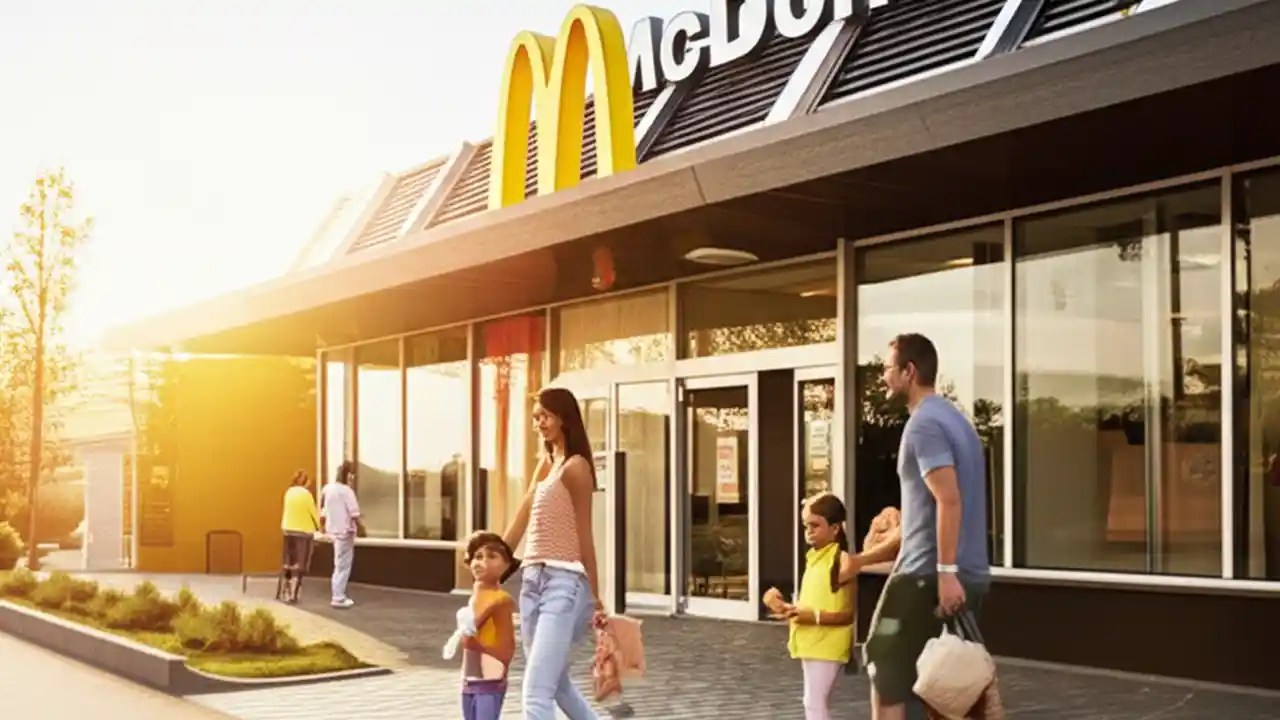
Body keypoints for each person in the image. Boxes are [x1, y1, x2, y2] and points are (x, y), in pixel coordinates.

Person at [859, 333, 992, 720]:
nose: (883, 376)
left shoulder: (924, 425)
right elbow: (932, 509)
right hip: (964, 574)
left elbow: (948, 498)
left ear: (909, 371)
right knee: (936, 681)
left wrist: (945, 573)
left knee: (883, 661)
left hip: (925, 578)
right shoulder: (958, 422)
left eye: (887, 368)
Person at [503, 387, 605, 720]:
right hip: (531, 581)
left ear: (564, 418)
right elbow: (524, 511)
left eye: (544, 416)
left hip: (564, 583)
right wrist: (497, 557)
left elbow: (584, 533)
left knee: (536, 692)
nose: (539, 424)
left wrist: (596, 594)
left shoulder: (576, 468)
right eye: (535, 418)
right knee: (556, 683)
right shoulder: (548, 462)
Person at [765, 492, 857, 720]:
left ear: (835, 528)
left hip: (827, 643)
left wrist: (812, 617)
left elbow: (847, 614)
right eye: (806, 525)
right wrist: (785, 608)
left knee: (814, 702)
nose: (809, 531)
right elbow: (812, 604)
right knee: (812, 701)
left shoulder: (841, 560)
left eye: (815, 525)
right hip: (813, 641)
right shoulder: (814, 558)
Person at [453, 530, 519, 720]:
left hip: (491, 677)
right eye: (477, 557)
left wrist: (476, 644)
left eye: (492, 556)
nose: (482, 562)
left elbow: (507, 646)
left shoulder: (501, 600)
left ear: (506, 564)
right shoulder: (475, 598)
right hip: (470, 677)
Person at [321, 460, 365, 609]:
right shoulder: (346, 491)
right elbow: (354, 513)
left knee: (338, 564)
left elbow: (323, 510)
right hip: (345, 531)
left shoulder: (327, 489)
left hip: (333, 530)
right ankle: (338, 597)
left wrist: (322, 527)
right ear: (348, 475)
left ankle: (337, 594)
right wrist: (362, 528)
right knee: (343, 565)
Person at [279, 469, 320, 603]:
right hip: (303, 531)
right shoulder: (306, 494)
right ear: (305, 481)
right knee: (299, 564)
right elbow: (313, 512)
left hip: (287, 529)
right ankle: (293, 594)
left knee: (288, 562)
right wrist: (320, 527)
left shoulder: (288, 492)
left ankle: (283, 592)